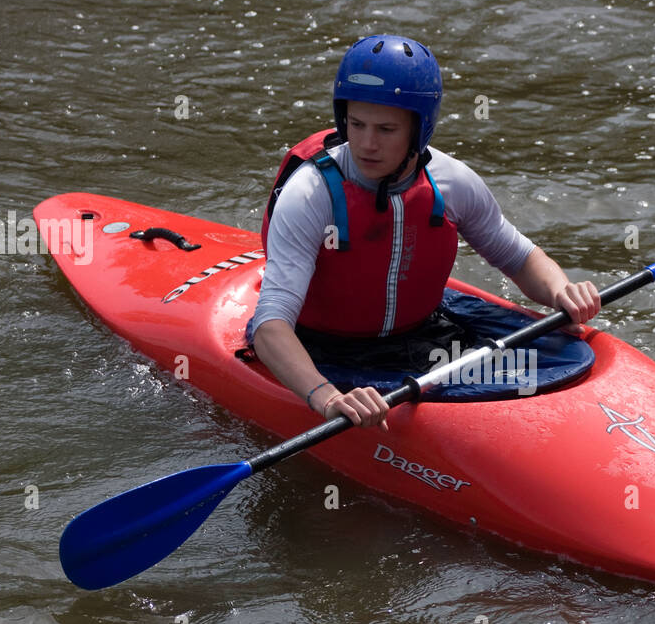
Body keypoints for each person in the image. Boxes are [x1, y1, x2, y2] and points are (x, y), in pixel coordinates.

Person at [248, 33, 600, 430]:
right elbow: (270, 326)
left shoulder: (451, 182)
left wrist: (561, 291)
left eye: (385, 129)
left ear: (418, 129)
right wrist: (326, 398)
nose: (366, 143)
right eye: (357, 124)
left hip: (422, 335)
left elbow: (519, 258)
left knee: (560, 350)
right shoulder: (310, 194)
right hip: (325, 348)